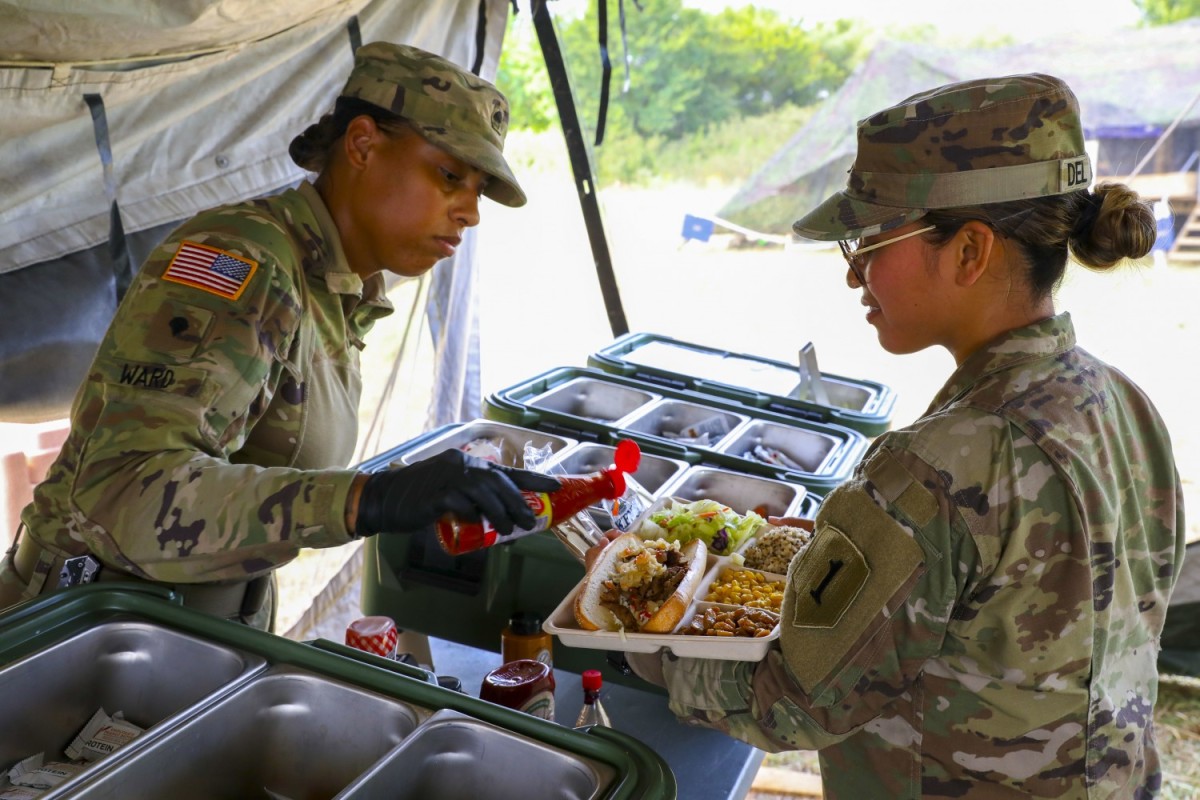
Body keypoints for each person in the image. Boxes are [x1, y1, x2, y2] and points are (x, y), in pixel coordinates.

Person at [617, 74, 1185, 798]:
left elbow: (796, 700)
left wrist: (651, 650)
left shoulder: (934, 468)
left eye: (871, 240)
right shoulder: (1125, 404)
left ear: (969, 252)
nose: (855, 274)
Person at [0, 42, 559, 630]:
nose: (470, 211)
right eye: (450, 176)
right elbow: (122, 494)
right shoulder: (241, 261)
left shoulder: (336, 287)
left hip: (187, 630)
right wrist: (367, 500)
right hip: (78, 633)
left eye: (477, 189)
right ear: (363, 144)